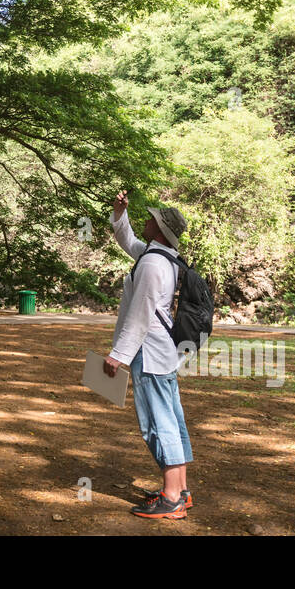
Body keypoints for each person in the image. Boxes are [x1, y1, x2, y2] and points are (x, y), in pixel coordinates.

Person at [104, 190, 194, 520]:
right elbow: (128, 241)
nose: (146, 219)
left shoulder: (153, 263)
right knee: (171, 417)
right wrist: (119, 213)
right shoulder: (161, 256)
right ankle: (180, 491)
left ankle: (171, 498)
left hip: (150, 352)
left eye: (151, 218)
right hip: (164, 351)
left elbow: (140, 314)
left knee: (158, 422)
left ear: (158, 228)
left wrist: (118, 355)